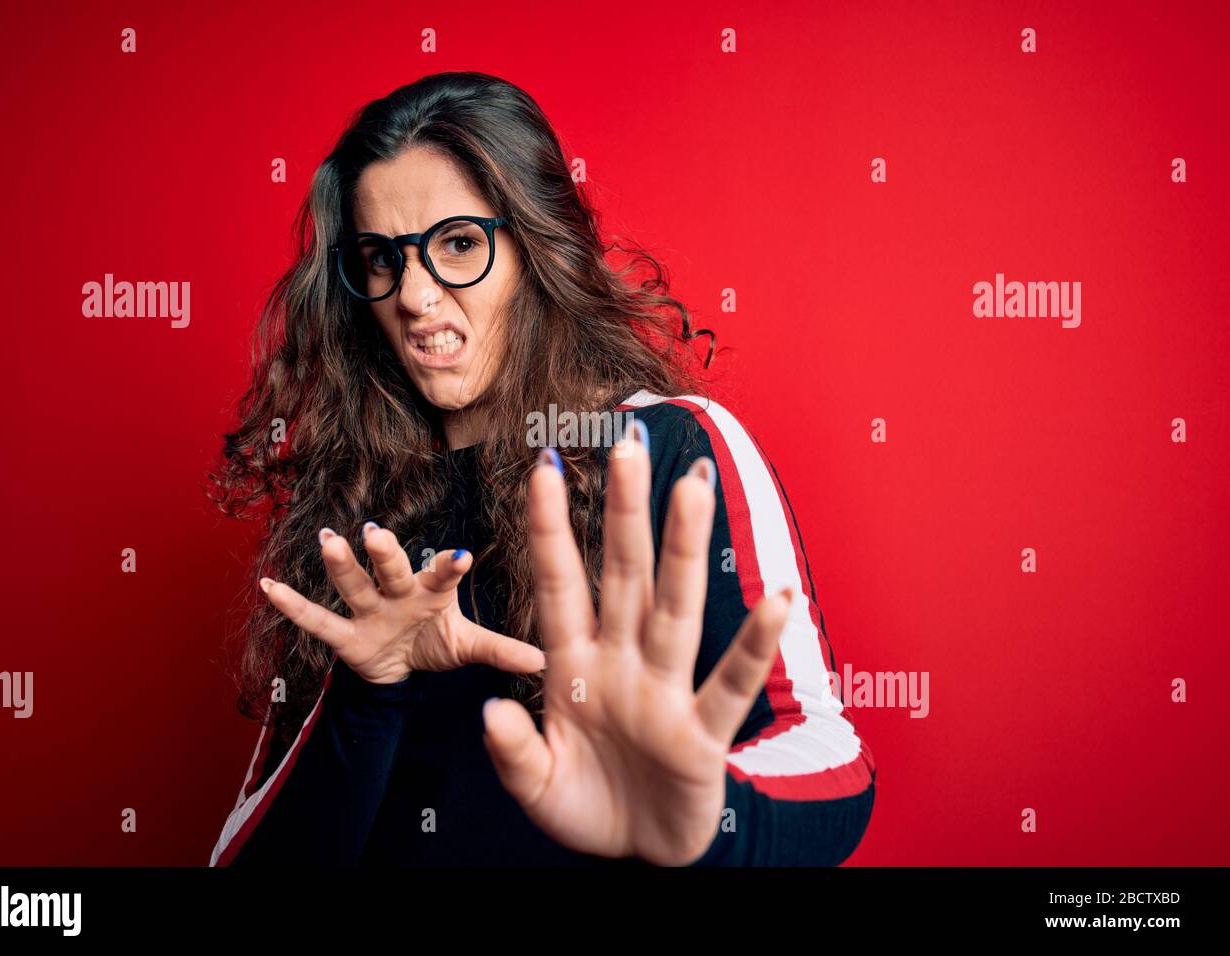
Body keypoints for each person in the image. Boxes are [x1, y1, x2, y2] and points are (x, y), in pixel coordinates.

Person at [206, 70, 875, 867]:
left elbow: (828, 760)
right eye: (382, 258)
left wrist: (710, 813)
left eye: (458, 244)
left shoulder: (671, 446)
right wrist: (367, 694)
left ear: (537, 244)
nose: (415, 297)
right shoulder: (355, 505)